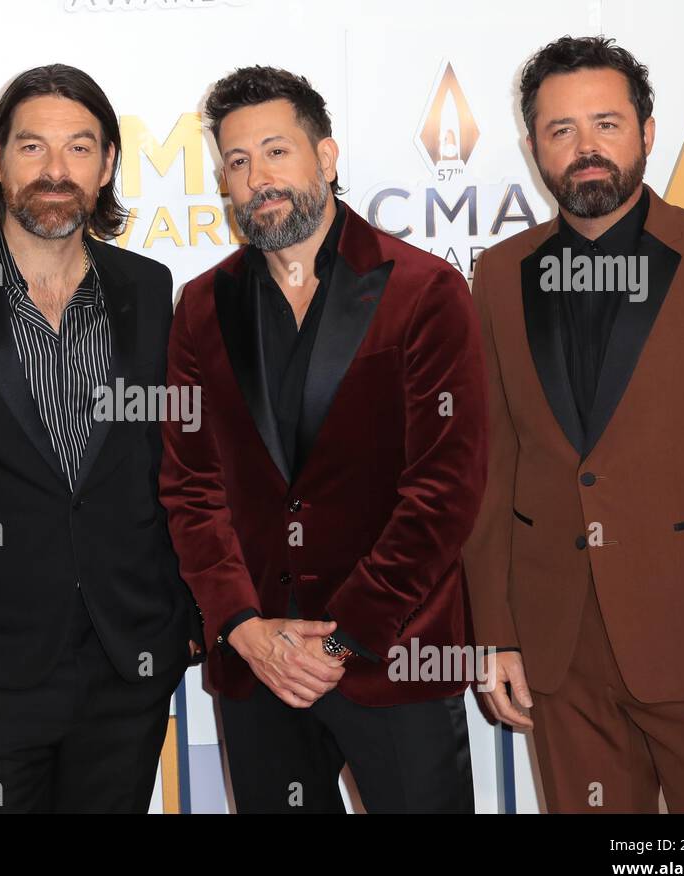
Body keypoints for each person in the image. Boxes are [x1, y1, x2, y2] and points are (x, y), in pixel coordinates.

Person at [464, 36, 684, 812]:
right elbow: (494, 462)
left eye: (606, 125)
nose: (586, 149)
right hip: (560, 651)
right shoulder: (501, 272)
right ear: (532, 148)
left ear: (647, 133)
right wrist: (499, 630)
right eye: (561, 130)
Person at [0, 64, 202, 813]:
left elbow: (178, 466)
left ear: (108, 164)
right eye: (32, 148)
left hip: (129, 666)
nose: (56, 171)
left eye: (79, 148)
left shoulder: (149, 289)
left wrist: (183, 621)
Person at [160, 66, 487, 813]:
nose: (257, 177)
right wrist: (241, 626)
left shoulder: (424, 291)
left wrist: (339, 641)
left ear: (327, 157)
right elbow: (191, 485)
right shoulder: (202, 307)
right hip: (258, 666)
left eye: (276, 151)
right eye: (237, 162)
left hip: (394, 656)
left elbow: (445, 490)